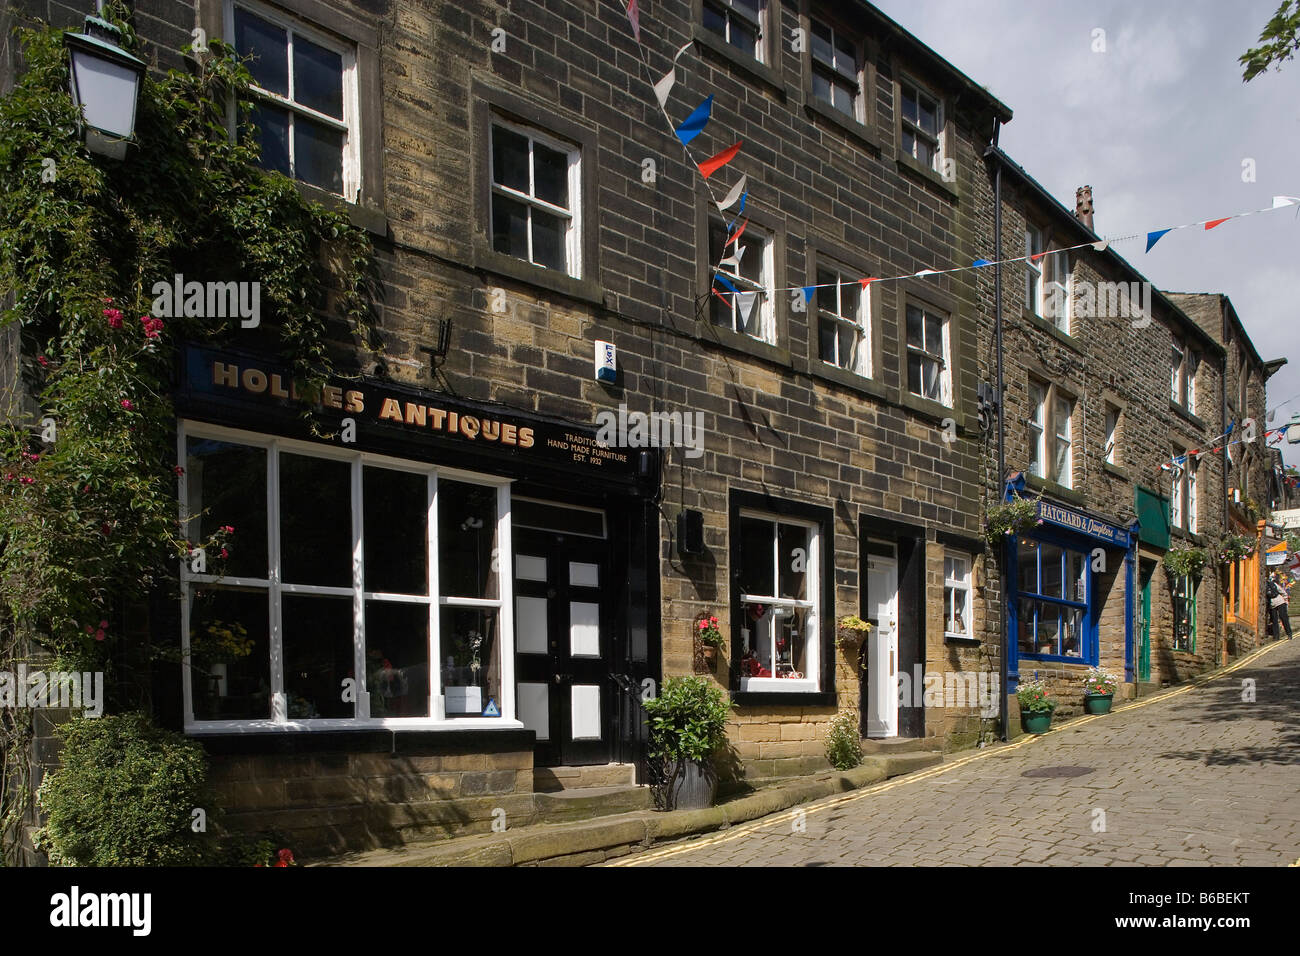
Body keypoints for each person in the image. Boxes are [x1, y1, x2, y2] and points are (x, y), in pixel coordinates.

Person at [1270, 572, 1293, 639]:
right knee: (1275, 620)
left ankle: (1288, 634)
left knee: (1282, 618)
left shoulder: (1272, 584)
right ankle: (1278, 636)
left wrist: (1285, 601)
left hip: (1279, 602)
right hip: (1273, 604)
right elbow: (1283, 592)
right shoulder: (1272, 584)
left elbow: (1283, 592)